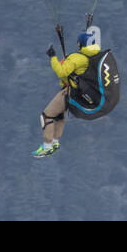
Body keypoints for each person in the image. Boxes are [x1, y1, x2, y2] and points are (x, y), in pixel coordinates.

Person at [32, 26, 101, 158]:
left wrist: (53, 57)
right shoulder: (92, 56)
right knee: (58, 116)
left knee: (46, 116)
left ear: (80, 44)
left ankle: (47, 146)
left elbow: (61, 72)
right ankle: (55, 142)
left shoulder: (78, 58)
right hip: (78, 93)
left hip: (70, 92)